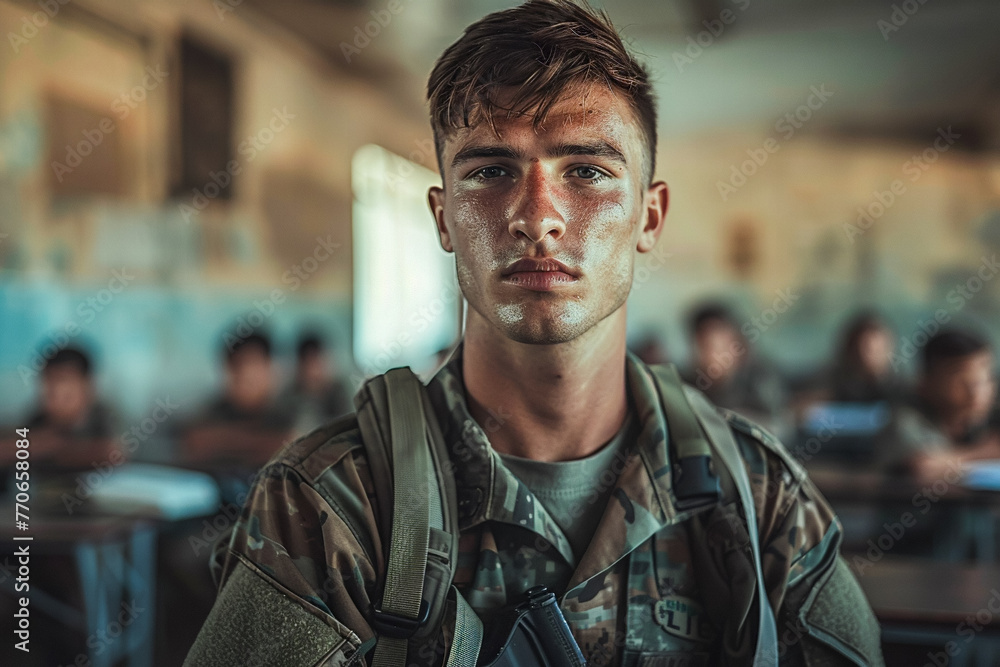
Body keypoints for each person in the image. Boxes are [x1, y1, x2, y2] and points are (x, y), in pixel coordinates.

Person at [185, 2, 882, 666]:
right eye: (491, 170)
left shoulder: (757, 495)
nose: (536, 215)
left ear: (649, 216)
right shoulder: (336, 503)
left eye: (587, 171)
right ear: (442, 217)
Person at [879, 328, 999, 481]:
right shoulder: (904, 422)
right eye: (961, 378)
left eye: (984, 378)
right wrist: (985, 453)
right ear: (925, 383)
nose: (976, 391)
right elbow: (922, 467)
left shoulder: (989, 419)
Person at [181, 331, 294, 470]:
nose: (244, 375)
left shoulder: (290, 409)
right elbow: (195, 442)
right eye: (236, 367)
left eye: (252, 365)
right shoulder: (217, 409)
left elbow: (292, 444)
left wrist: (223, 441)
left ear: (269, 367)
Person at [0, 345, 119, 471]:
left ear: (87, 386)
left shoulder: (104, 416)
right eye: (49, 389)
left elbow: (115, 452)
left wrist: (53, 448)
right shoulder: (37, 419)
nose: (55, 395)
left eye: (67, 394)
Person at [680, 303, 787, 434]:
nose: (716, 356)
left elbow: (781, 428)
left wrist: (736, 420)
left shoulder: (759, 379)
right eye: (708, 347)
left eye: (721, 347)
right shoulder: (688, 383)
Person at [278, 332, 352, 437]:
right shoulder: (289, 395)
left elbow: (347, 427)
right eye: (309, 364)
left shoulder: (337, 392)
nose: (313, 372)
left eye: (317, 363)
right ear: (300, 365)